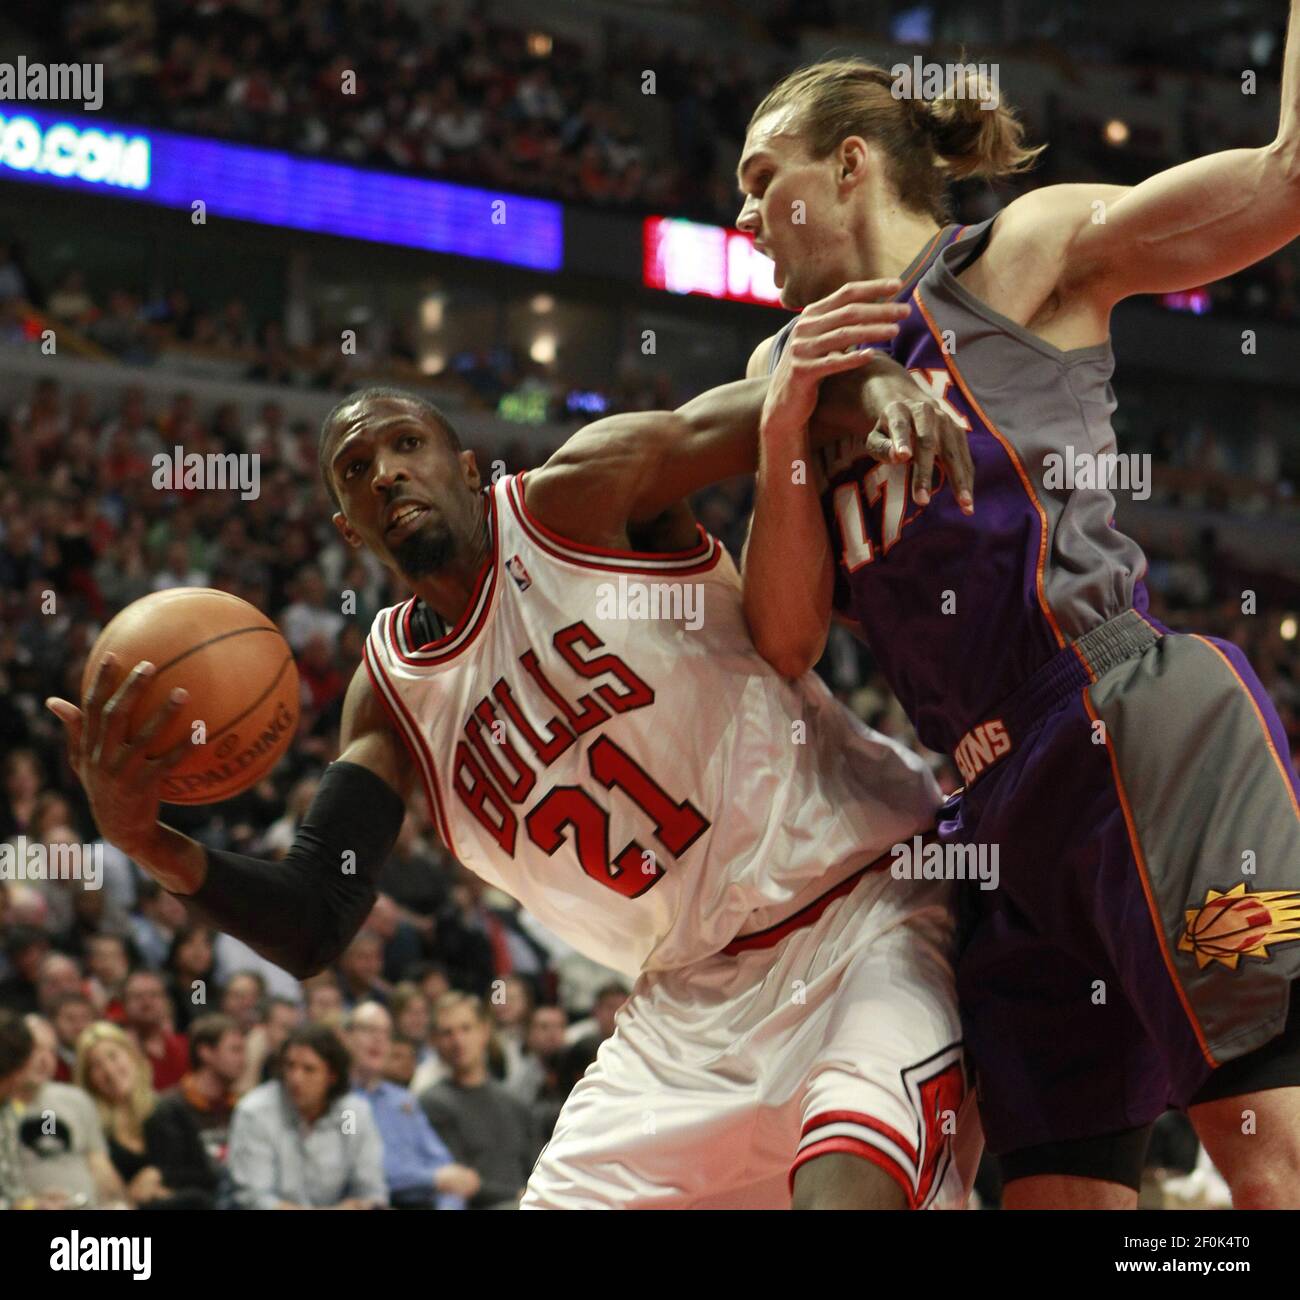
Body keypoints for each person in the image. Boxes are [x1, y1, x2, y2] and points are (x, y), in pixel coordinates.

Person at [46, 328, 982, 1209]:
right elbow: (314, 919)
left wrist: (877, 384)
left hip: (868, 904)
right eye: (358, 471)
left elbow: (762, 407)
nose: (387, 474)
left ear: (463, 467)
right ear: (347, 528)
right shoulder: (391, 700)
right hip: (689, 1004)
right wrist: (142, 838)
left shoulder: (578, 498)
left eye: (405, 445)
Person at [735, 25, 1300, 1209]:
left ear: (848, 166)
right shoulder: (783, 368)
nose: (743, 216)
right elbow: (783, 640)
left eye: (758, 179)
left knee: (1272, 1158)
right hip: (991, 809)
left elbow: (1279, 182)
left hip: (1124, 720)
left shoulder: (1016, 256)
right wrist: (781, 433)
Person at [226, 1023, 386, 1210]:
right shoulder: (256, 1112)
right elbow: (255, 1200)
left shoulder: (349, 1114)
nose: (296, 1079)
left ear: (332, 1076)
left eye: (309, 1069)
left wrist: (362, 1204)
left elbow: (370, 1192)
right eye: (290, 1066)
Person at [344, 1001, 478, 1209]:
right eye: (368, 1030)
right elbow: (362, 1176)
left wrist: (449, 1200)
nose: (378, 1039)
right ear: (347, 1037)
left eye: (385, 1033)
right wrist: (433, 1179)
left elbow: (443, 1163)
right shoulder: (338, 1101)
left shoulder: (404, 1100)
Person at [75, 1021, 216, 1209]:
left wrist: (158, 1176)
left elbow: (206, 1176)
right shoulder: (94, 1130)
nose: (109, 1070)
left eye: (113, 1056)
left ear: (131, 1056)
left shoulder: (171, 1110)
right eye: (96, 1065)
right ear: (88, 1079)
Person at [419, 993, 539, 1210]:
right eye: (447, 1033)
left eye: (466, 1028)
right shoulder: (432, 1103)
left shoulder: (514, 1103)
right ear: (436, 1042)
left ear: (484, 1031)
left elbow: (537, 1167)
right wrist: (519, 1195)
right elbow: (460, 1182)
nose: (458, 1041)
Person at [12, 1016, 129, 1209]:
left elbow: (100, 1166)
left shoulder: (76, 1099)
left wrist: (119, 1203)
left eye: (51, 1051)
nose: (44, 1059)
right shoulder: (5, 1108)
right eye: (35, 1049)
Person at [120, 970, 189, 1092]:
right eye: (137, 996)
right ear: (124, 1004)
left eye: (154, 995)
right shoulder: (117, 1051)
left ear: (166, 1003)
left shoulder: (184, 1045)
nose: (147, 1002)